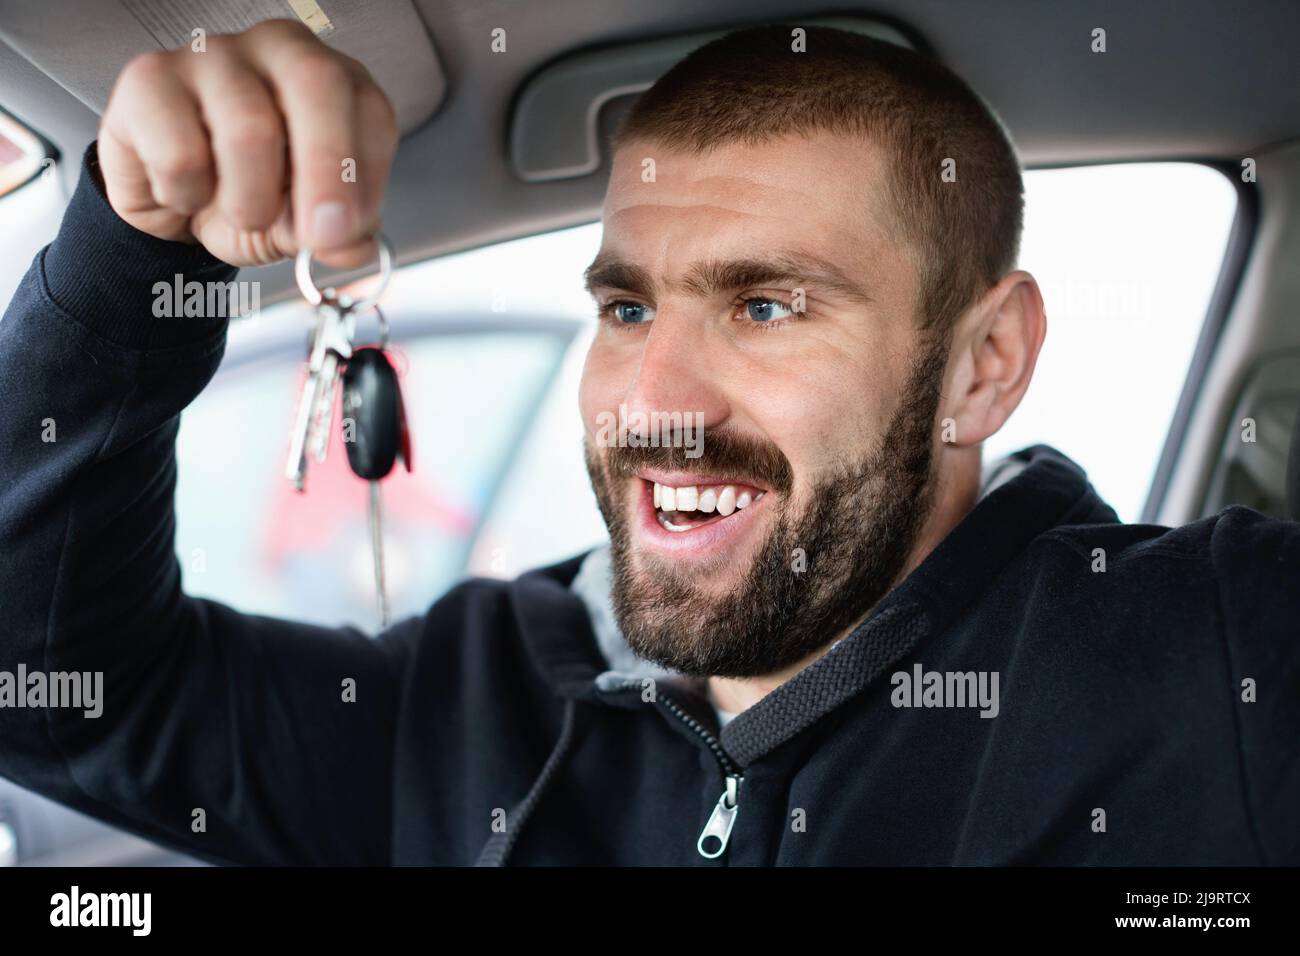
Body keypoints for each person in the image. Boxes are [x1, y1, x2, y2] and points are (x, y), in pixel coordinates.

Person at [0, 20, 1295, 866]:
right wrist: (132, 253)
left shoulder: (1212, 652)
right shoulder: (472, 701)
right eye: (627, 306)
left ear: (983, 364)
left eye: (766, 303)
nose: (654, 397)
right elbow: (52, 689)